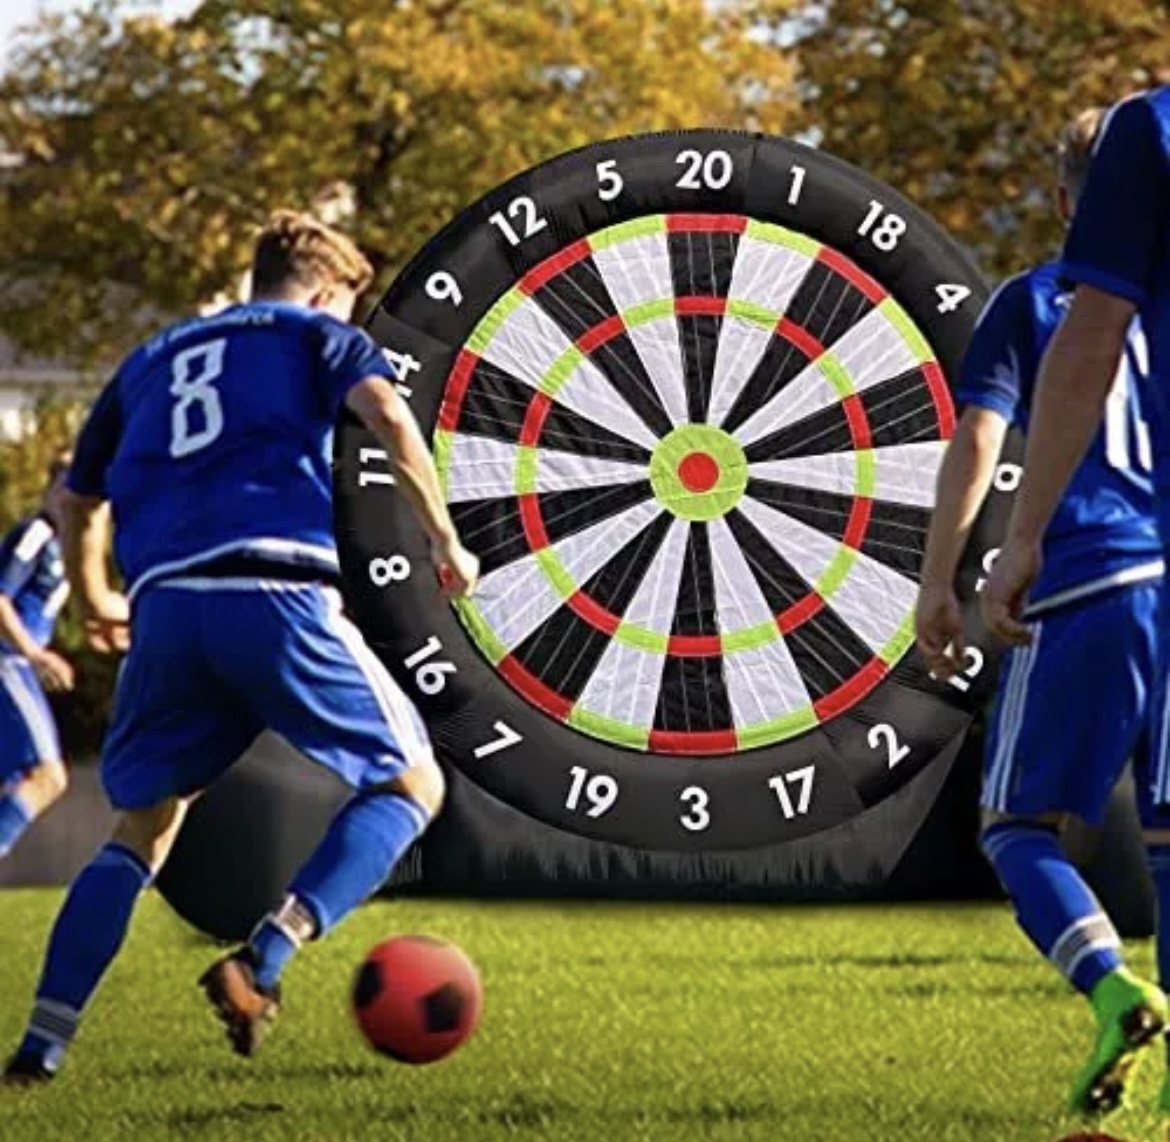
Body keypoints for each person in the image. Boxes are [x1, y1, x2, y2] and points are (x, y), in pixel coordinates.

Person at [1, 209, 479, 1085]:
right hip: (273, 590)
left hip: (167, 607)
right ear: (328, 292)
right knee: (412, 782)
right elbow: (389, 417)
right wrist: (443, 535)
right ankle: (264, 957)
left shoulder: (152, 358)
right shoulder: (315, 338)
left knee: (139, 833)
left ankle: (42, 1044)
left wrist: (98, 588)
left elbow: (76, 496)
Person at [917, 107, 1167, 1117]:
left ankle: (1114, 986)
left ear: (1070, 200)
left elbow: (979, 439)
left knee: (1018, 824)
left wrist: (948, 575)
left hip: (1090, 570)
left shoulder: (1034, 300)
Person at [0, 452, 75, 861]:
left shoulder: (67, 548)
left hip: (15, 661)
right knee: (48, 775)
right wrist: (35, 653)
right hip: (8, 660)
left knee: (16, 783)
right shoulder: (37, 535)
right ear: (49, 490)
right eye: (62, 485)